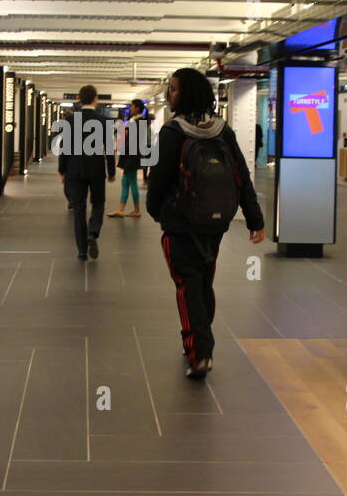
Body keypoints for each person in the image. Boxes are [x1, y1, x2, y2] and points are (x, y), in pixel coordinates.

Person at [147, 69, 265, 379]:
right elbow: (241, 175)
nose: (169, 94)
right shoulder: (222, 130)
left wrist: (155, 210)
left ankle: (199, 350)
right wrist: (254, 217)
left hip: (180, 222)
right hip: (215, 223)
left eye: (172, 89)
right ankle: (201, 342)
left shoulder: (173, 132)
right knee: (202, 282)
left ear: (185, 94)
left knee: (187, 285)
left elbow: (159, 179)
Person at [58, 85, 115, 261]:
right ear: (95, 98)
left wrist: (62, 169)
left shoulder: (69, 121)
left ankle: (82, 251)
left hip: (75, 171)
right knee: (98, 203)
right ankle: (93, 232)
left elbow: (64, 147)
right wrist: (111, 171)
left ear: (80, 99)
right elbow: (109, 149)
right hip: (96, 170)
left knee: (79, 210)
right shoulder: (104, 121)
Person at [108, 98, 149, 219]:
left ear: (137, 108)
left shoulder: (138, 122)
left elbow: (134, 142)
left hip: (132, 156)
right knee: (126, 181)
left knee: (131, 182)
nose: (130, 108)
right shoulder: (136, 121)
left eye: (131, 106)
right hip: (132, 156)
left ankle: (132, 210)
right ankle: (129, 209)